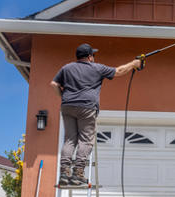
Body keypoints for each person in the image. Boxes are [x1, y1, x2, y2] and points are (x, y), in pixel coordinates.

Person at [51, 43, 142, 185]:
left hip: (67, 106)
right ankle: (78, 173)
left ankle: (64, 173)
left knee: (69, 140)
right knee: (86, 140)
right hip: (87, 107)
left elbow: (54, 84)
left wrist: (63, 98)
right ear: (89, 57)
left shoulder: (66, 68)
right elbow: (118, 71)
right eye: (93, 55)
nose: (93, 57)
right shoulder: (97, 68)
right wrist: (134, 63)